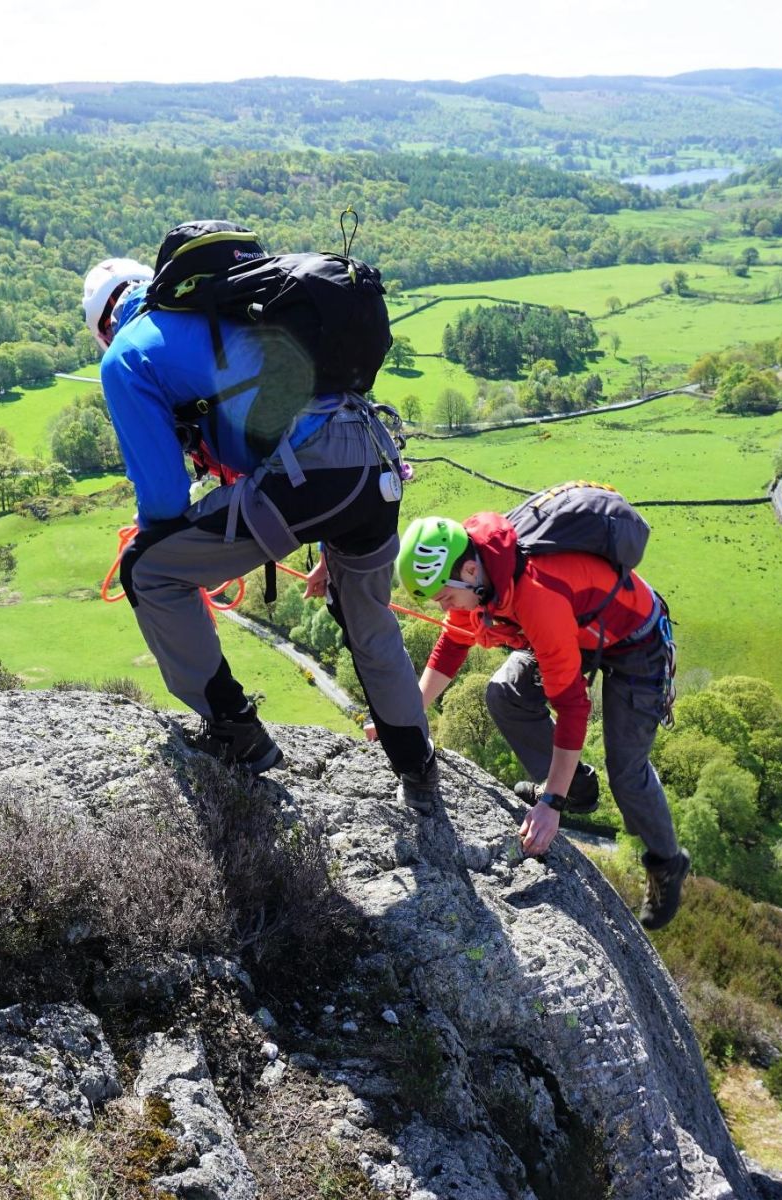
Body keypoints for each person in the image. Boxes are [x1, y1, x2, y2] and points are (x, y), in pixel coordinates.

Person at [85, 223, 440, 806]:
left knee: (148, 570)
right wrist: (328, 541)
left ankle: (234, 731)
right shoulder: (233, 308)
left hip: (313, 477)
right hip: (374, 463)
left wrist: (175, 550)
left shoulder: (128, 355)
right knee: (369, 620)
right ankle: (418, 771)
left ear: (104, 325)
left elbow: (165, 502)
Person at [394, 507, 690, 929]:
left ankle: (667, 861)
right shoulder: (475, 574)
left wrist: (550, 803)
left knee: (627, 772)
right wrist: (406, 714)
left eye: (445, 597)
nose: (446, 608)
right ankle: (576, 790)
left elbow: (572, 706)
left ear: (471, 570)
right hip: (578, 626)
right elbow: (454, 640)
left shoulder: (534, 594)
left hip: (636, 642)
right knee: (504, 692)